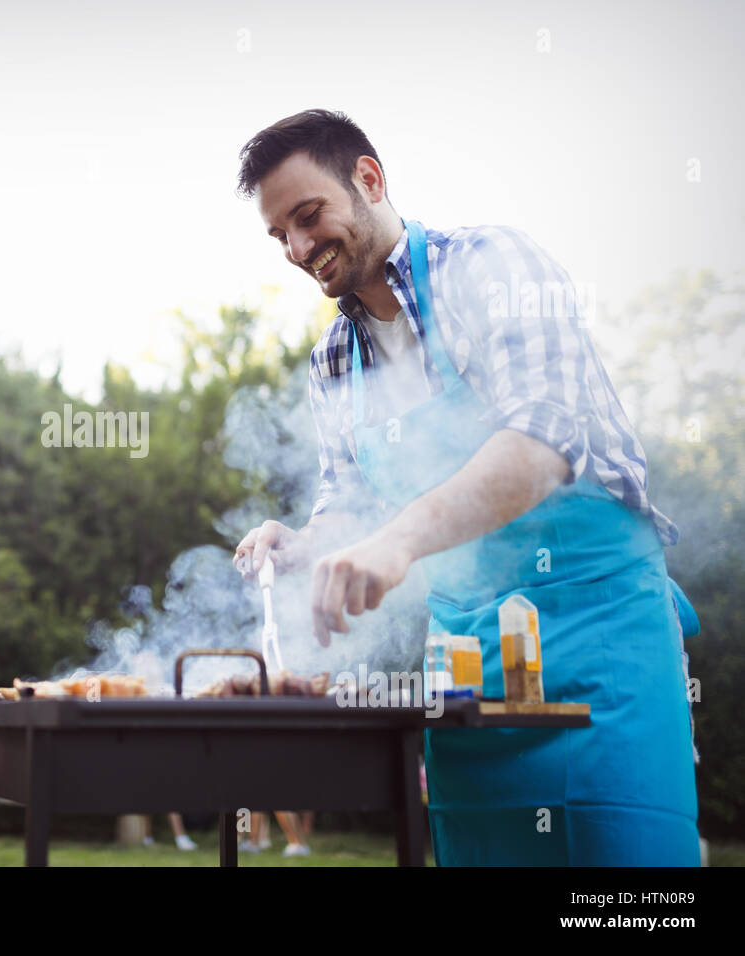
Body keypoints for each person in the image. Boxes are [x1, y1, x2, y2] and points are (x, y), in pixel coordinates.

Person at [231, 110, 700, 866]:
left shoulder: (492, 266)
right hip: (464, 670)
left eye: (308, 215)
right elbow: (351, 504)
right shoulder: (333, 360)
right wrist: (305, 542)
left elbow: (545, 441)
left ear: (369, 179)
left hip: (598, 633)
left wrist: (399, 540)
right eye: (279, 234)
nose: (298, 247)